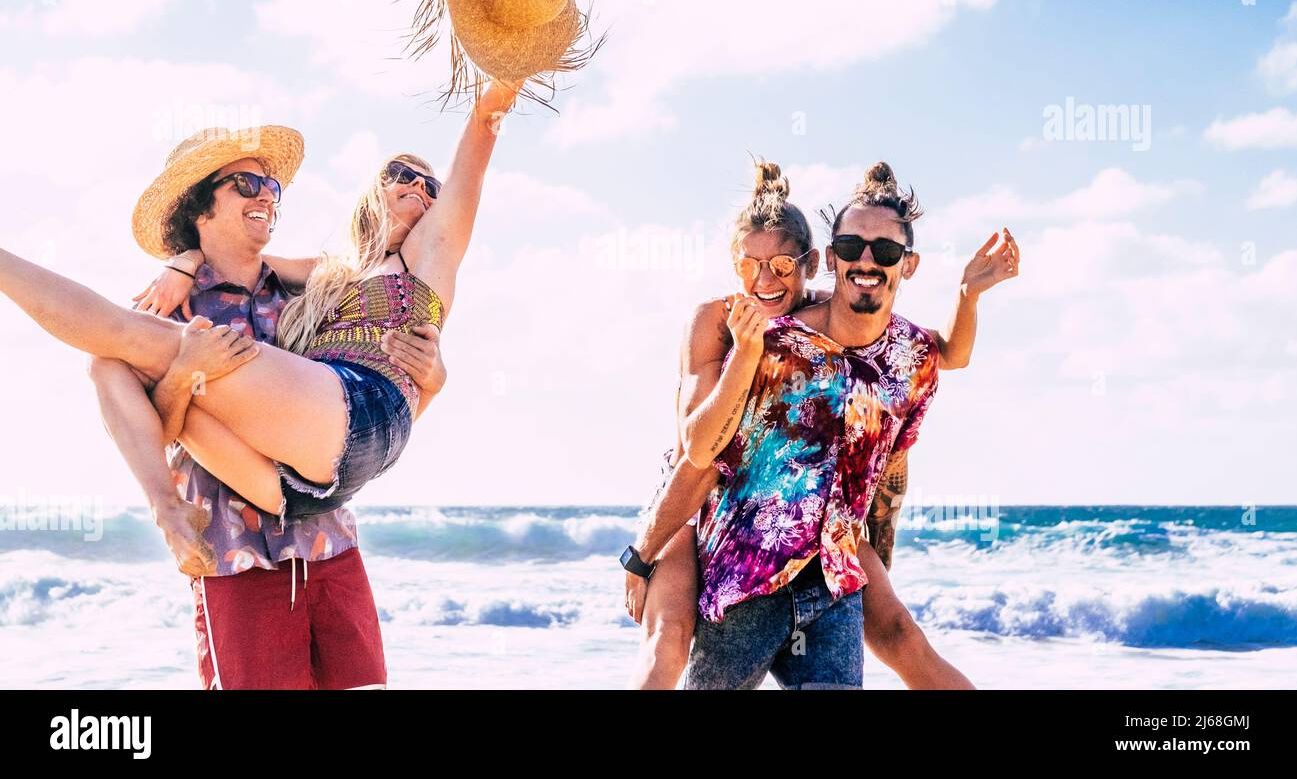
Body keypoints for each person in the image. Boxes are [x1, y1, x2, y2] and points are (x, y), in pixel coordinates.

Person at [0, 80, 519, 536]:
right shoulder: (326, 273)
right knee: (108, 360)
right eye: (402, 173)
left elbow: (478, 146)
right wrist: (184, 268)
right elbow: (244, 255)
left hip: (355, 418)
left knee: (124, 332)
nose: (419, 187)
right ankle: (168, 512)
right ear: (373, 194)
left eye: (431, 185)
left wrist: (507, 75)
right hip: (288, 494)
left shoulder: (426, 257)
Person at [624, 161, 1017, 689]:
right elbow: (699, 459)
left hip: (829, 569)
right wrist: (641, 554)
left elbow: (941, 364)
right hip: (726, 547)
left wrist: (969, 294)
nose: (867, 260)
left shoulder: (901, 354)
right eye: (853, 247)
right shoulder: (747, 338)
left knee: (903, 637)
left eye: (886, 251)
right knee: (666, 646)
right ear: (832, 259)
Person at [85, 129, 448, 689]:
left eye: (271, 186)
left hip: (329, 544)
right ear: (198, 204)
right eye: (246, 184)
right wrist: (183, 371)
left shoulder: (314, 292)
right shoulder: (164, 309)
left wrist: (435, 375)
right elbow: (153, 438)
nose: (267, 198)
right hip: (236, 557)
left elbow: (371, 386)